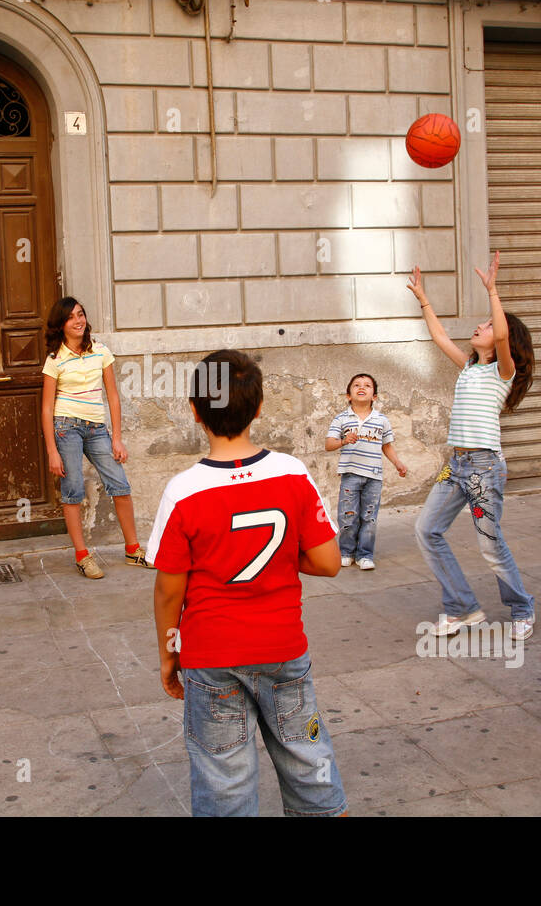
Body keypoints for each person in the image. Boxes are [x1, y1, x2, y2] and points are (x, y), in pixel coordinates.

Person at [149, 349, 347, 817]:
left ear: (194, 411)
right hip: (282, 647)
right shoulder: (293, 474)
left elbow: (168, 591)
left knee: (223, 776)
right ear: (259, 408)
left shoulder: (183, 492)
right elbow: (329, 562)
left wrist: (168, 654)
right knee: (307, 758)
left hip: (212, 654)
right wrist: (282, 557)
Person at [406, 252, 537, 640]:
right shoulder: (468, 366)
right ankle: (462, 607)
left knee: (489, 542)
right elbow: (439, 336)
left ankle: (522, 608)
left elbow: (500, 333)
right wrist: (424, 299)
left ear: (501, 342)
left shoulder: (502, 372)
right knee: (426, 529)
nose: (480, 327)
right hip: (456, 465)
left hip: (483, 467)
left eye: (486, 325)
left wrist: (492, 290)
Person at [41, 297, 148, 578]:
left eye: (81, 315)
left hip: (97, 429)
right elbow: (46, 407)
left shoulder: (101, 351)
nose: (78, 321)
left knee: (120, 484)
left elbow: (112, 395)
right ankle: (82, 556)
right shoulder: (55, 359)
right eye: (71, 317)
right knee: (73, 489)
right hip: (66, 428)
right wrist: (52, 450)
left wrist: (117, 437)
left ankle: (133, 549)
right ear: (61, 325)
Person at [324, 373, 408, 570]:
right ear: (348, 395)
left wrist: (398, 464)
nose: (362, 387)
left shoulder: (381, 420)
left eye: (367, 385)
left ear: (374, 396)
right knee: (347, 516)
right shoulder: (341, 418)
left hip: (374, 476)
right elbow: (329, 444)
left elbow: (387, 446)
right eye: (356, 385)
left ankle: (365, 554)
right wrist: (344, 441)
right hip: (350, 475)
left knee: (369, 517)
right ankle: (346, 552)